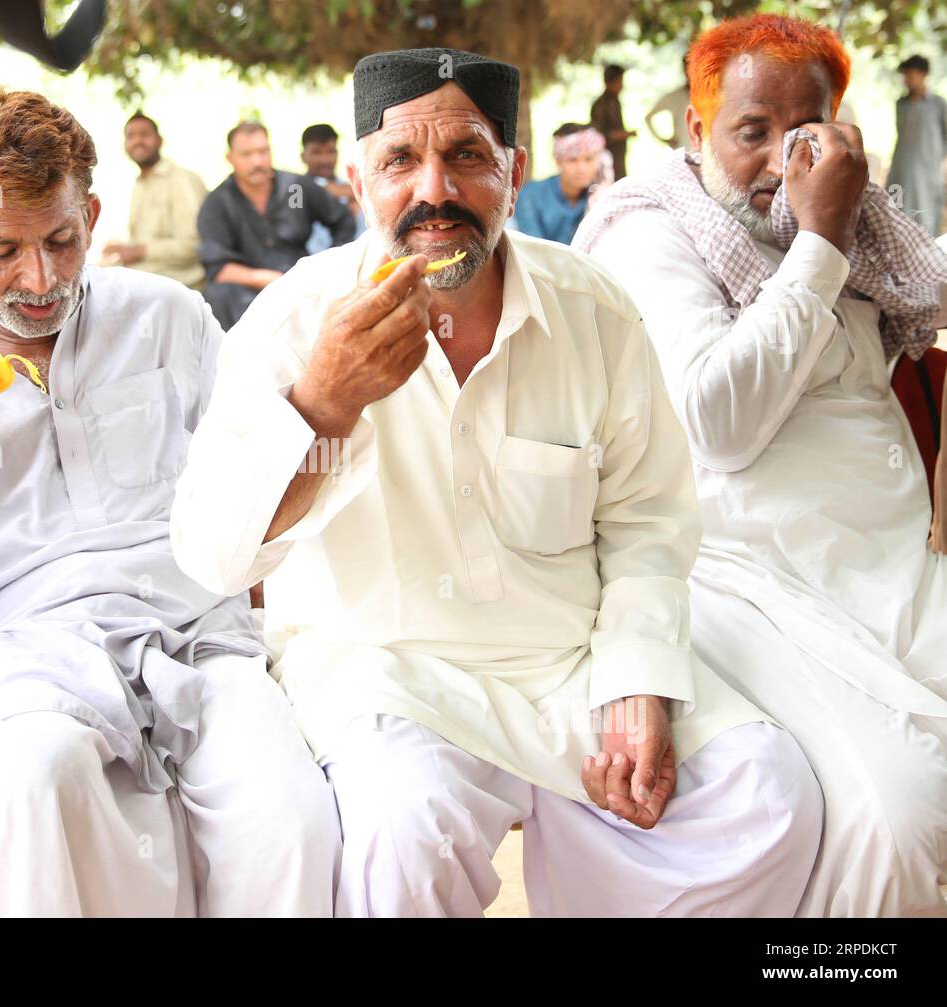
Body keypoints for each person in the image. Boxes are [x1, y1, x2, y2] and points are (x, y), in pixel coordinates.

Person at [171, 47, 823, 918]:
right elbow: (213, 555)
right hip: (386, 672)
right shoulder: (297, 318)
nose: (433, 191)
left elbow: (648, 519)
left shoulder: (594, 307)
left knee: (766, 797)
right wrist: (322, 403)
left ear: (513, 174)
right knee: (401, 834)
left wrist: (636, 672)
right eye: (401, 160)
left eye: (467, 156)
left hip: (570, 666)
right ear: (362, 181)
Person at [0, 88, 339, 917]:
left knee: (288, 821)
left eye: (62, 240)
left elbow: (249, 507)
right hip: (9, 663)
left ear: (92, 216)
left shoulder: (172, 319)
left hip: (196, 647)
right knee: (37, 773)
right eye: (3, 252)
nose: (41, 279)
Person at [576, 13, 947, 916]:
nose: (784, 159)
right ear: (697, 131)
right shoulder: (649, 233)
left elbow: (925, 310)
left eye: (806, 128)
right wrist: (819, 245)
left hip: (894, 559)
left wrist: (833, 230)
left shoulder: (867, 227)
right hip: (750, 581)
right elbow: (720, 422)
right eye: (752, 132)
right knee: (899, 815)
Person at [198, 122, 357, 330]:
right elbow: (219, 268)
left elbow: (341, 218)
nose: (257, 161)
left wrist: (329, 263)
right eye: (246, 154)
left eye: (263, 152)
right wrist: (274, 280)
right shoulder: (219, 202)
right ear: (230, 158)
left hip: (303, 285)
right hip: (248, 293)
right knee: (217, 295)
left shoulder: (294, 190)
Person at [101, 112, 208, 288]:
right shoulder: (141, 184)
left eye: (144, 135)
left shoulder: (182, 180)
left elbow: (193, 246)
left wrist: (139, 251)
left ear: (159, 140)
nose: (137, 141)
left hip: (181, 279)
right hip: (147, 271)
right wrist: (123, 249)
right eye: (131, 136)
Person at [509, 123, 609, 244]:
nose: (581, 168)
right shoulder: (530, 196)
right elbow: (535, 249)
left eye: (588, 159)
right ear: (558, 160)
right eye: (572, 160)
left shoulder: (598, 197)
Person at [887, 55, 947, 237]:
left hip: (928, 174)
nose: (906, 79)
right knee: (899, 215)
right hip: (901, 171)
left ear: (923, 75)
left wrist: (938, 160)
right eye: (904, 75)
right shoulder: (901, 104)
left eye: (910, 74)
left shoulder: (937, 105)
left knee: (927, 219)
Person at [300, 123, 365, 254]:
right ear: (303, 157)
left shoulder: (348, 187)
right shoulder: (296, 189)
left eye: (330, 151)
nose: (325, 160)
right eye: (316, 152)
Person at [590, 63, 636, 179]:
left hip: (618, 157)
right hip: (607, 158)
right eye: (620, 81)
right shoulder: (601, 104)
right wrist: (623, 134)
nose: (622, 85)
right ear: (611, 82)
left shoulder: (614, 101)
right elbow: (600, 134)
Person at [644, 59, 691, 149]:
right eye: (687, 68)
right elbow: (648, 117)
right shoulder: (674, 96)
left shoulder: (709, 95)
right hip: (682, 153)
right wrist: (664, 140)